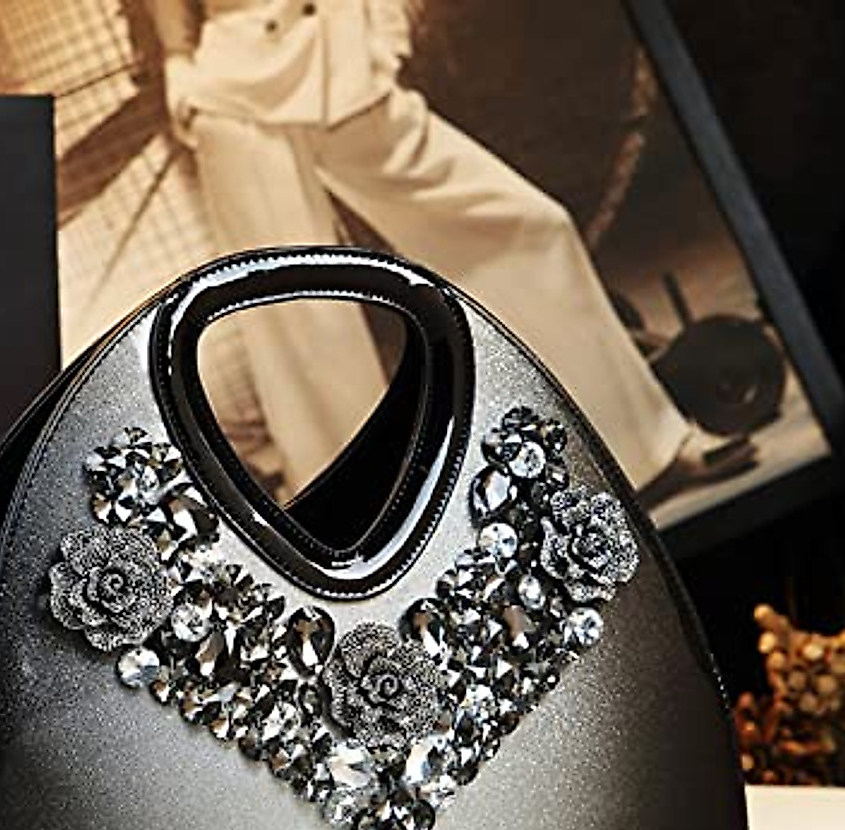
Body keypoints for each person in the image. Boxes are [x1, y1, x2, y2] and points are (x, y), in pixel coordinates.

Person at [147, 0, 753, 500]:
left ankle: (644, 450)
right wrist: (177, 60)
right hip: (236, 91)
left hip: (347, 65)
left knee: (527, 227)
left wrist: (384, 29)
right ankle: (356, 527)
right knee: (301, 318)